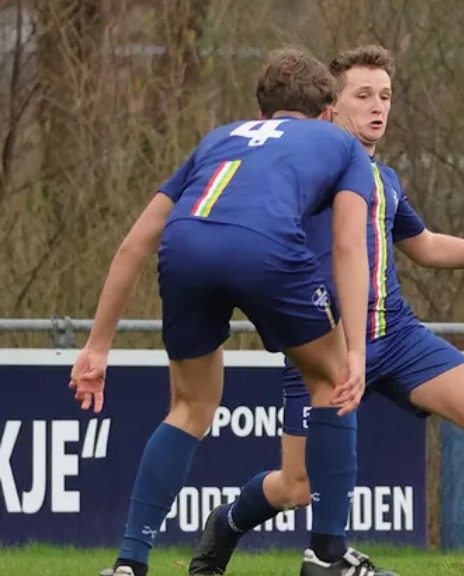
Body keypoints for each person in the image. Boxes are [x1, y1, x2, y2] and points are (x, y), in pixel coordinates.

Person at [187, 44, 464, 576]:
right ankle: (228, 524)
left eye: (385, 95)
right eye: (363, 95)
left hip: (398, 337)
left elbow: (426, 244)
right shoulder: (304, 172)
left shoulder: (385, 179)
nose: (378, 106)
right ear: (330, 107)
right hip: (323, 346)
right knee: (295, 487)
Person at [72, 47, 377, 576]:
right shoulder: (341, 144)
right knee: (330, 382)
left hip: (186, 247)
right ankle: (328, 555)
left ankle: (129, 563)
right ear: (329, 111)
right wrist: (355, 350)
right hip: (265, 248)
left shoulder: (218, 139)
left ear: (263, 114)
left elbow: (133, 246)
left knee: (189, 407)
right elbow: (349, 247)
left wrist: (98, 346)